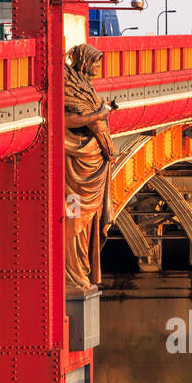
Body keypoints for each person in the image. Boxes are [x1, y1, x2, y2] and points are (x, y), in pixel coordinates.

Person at [64, 43, 117, 291]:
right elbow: (66, 119)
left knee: (88, 225)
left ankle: (82, 269)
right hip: (77, 171)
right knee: (75, 221)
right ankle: (73, 273)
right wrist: (98, 115)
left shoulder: (85, 86)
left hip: (93, 163)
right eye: (95, 62)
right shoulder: (70, 88)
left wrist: (101, 113)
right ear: (84, 61)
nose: (98, 67)